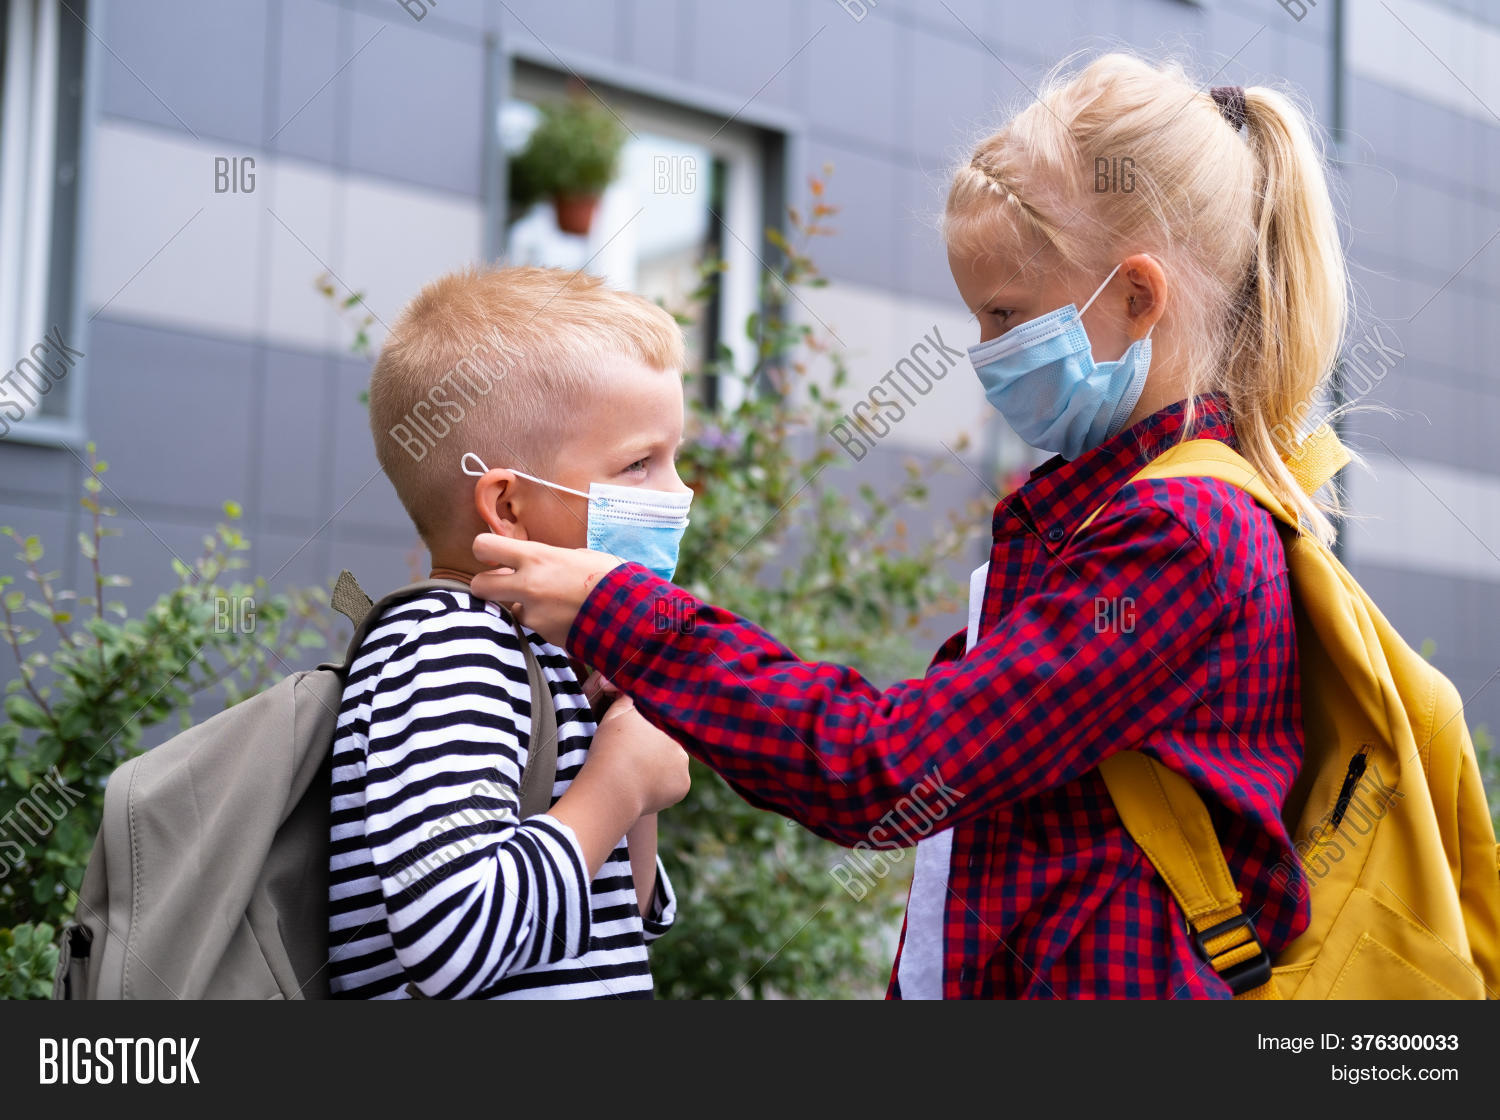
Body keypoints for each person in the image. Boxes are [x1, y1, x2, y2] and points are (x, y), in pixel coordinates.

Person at [466, 54, 1352, 998]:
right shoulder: (1107, 518)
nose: (985, 352)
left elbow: (886, 766)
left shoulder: (1181, 536)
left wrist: (626, 616)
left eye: (1006, 313)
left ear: (1137, 298)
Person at [328, 265, 692, 999]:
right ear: (510, 507)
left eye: (675, 460)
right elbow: (452, 938)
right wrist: (619, 782)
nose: (680, 493)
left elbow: (623, 915)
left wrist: (631, 732)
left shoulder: (549, 654)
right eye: (640, 465)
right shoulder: (448, 648)